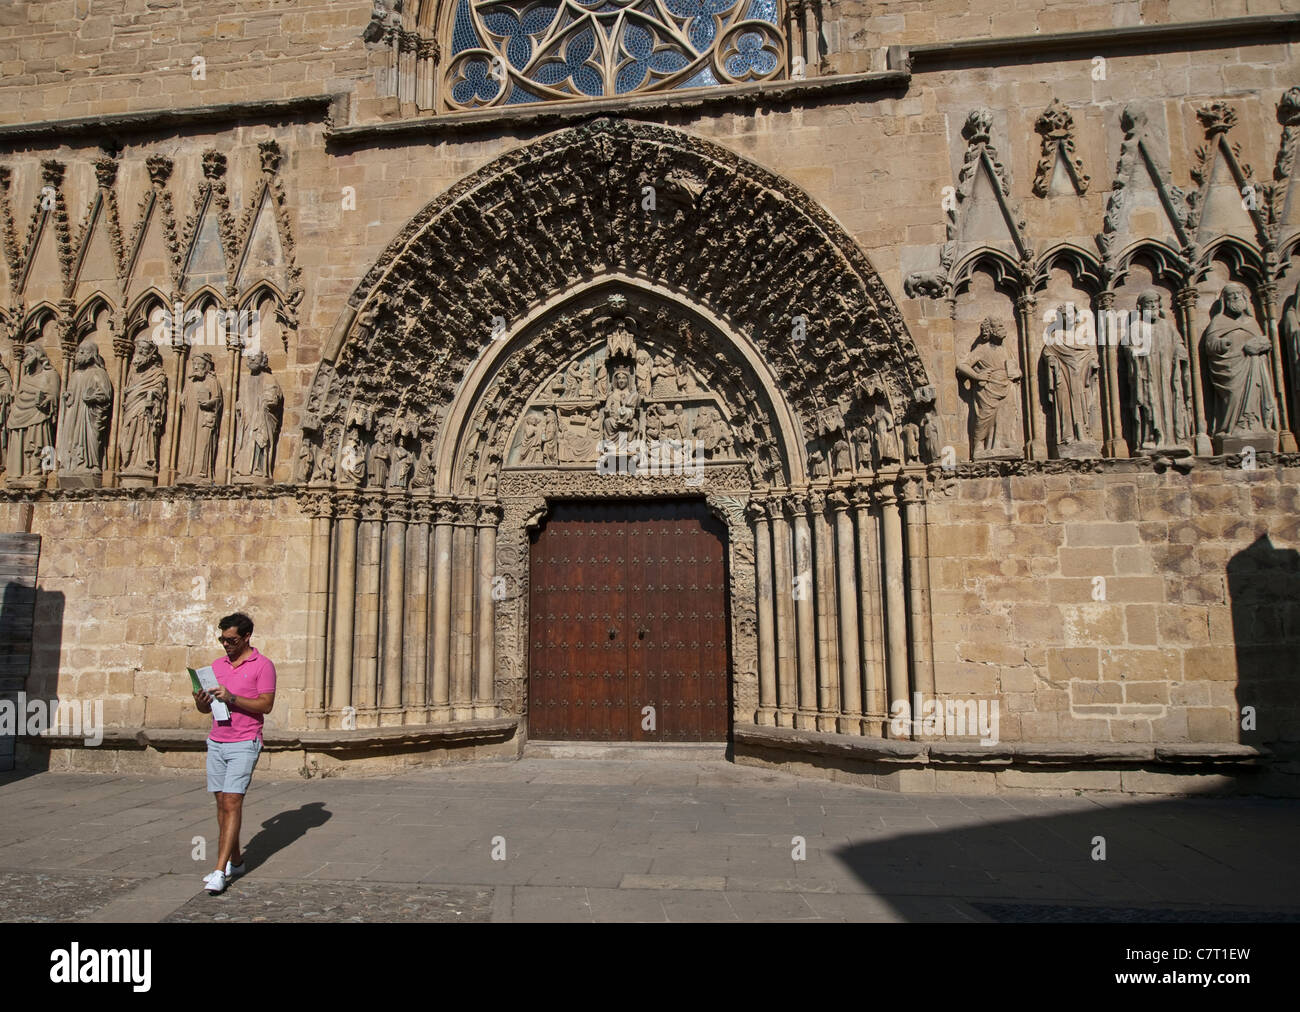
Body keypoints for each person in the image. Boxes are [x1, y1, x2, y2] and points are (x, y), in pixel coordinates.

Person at [192, 612, 276, 895]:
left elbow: (266, 705)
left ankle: (220, 870)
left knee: (232, 802)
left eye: (231, 640)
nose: (226, 644)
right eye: (222, 639)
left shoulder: (262, 666)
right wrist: (200, 701)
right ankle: (236, 860)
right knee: (221, 804)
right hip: (217, 740)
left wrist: (232, 698)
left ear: (247, 636)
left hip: (245, 741)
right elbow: (206, 710)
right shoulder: (217, 666)